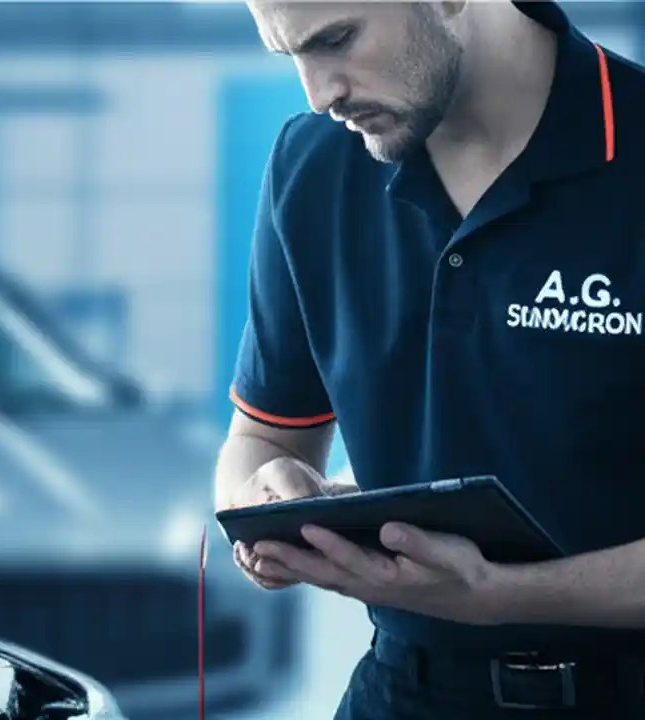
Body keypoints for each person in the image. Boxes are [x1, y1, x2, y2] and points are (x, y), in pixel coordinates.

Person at [213, 0, 645, 717]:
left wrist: (501, 597)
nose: (320, 94)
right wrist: (266, 499)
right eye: (292, 57)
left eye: (338, 40)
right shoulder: (311, 164)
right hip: (403, 691)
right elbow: (258, 440)